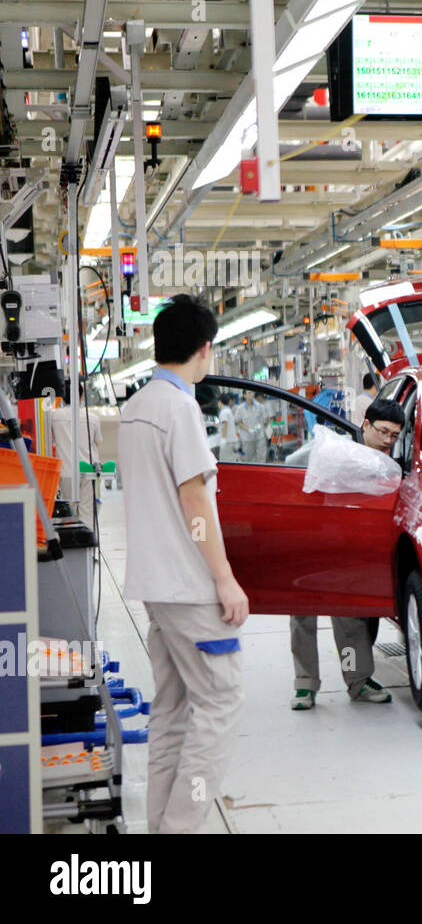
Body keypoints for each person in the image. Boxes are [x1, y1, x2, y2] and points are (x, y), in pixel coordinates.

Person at [118, 294, 248, 834]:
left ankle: (159, 827)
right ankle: (180, 826)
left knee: (170, 711)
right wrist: (225, 579)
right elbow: (194, 500)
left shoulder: (135, 408)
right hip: (190, 588)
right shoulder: (181, 407)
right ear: (205, 349)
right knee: (219, 704)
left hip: (154, 587)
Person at [289, 398, 405, 710]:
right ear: (365, 424)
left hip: (346, 546)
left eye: (394, 436)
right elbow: (290, 467)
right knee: (302, 614)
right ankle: (305, 684)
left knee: (349, 617)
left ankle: (357, 680)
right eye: (383, 432)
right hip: (310, 539)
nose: (387, 441)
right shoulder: (333, 447)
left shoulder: (387, 464)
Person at [48, 385, 102, 525]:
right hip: (88, 471)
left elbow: (50, 438)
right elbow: (97, 443)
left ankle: (71, 543)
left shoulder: (54, 416)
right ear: (81, 396)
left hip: (67, 471)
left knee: (69, 513)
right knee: (87, 513)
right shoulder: (93, 418)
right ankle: (88, 544)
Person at [234, 389, 267, 463]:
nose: (251, 394)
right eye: (249, 393)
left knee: (261, 458)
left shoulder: (260, 406)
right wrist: (248, 429)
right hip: (247, 438)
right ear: (244, 395)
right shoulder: (240, 408)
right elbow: (238, 421)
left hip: (259, 437)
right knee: (247, 459)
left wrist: (260, 427)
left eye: (252, 392)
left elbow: (265, 419)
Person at [216, 393, 240, 461]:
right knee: (231, 460)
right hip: (231, 441)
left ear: (220, 402)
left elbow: (225, 425)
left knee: (225, 461)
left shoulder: (223, 412)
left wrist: (223, 439)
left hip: (227, 442)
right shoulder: (228, 410)